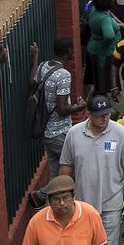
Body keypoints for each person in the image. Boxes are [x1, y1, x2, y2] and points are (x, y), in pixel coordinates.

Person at [58, 96, 124, 245]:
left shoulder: (121, 133)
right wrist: (63, 197)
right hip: (81, 205)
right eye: (100, 115)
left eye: (107, 114)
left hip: (111, 204)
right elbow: (66, 167)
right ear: (89, 114)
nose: (105, 119)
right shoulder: (74, 133)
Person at [29, 38, 85, 168]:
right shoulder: (63, 75)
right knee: (78, 167)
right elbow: (62, 109)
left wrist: (36, 57)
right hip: (60, 133)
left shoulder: (43, 66)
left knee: (55, 171)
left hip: (46, 133)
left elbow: (31, 83)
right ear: (68, 51)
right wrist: (79, 107)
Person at [23, 175, 108, 245]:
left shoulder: (90, 214)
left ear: (74, 197)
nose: (62, 203)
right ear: (49, 202)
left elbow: (101, 243)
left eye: (66, 197)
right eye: (56, 199)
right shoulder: (36, 222)